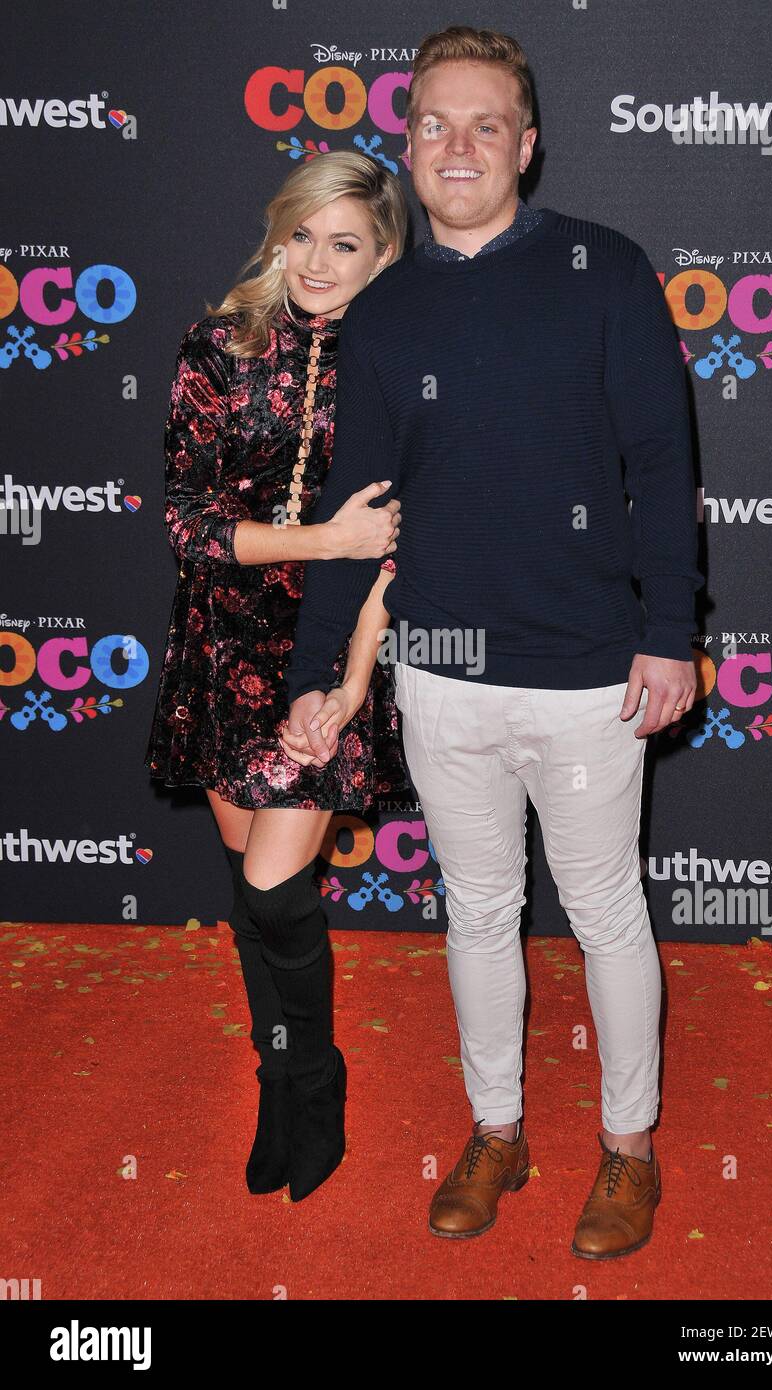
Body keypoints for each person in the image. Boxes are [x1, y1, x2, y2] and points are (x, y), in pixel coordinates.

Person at [279, 27, 704, 1255]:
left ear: (524, 142)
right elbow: (354, 514)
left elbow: (661, 466)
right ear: (405, 145)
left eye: (482, 125)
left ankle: (626, 1150)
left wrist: (668, 633)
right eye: (431, 125)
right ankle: (497, 1129)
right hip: (438, 674)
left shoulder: (605, 270)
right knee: (474, 910)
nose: (454, 146)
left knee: (604, 912)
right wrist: (321, 676)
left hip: (586, 674)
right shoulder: (381, 307)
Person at [146, 151, 411, 1202]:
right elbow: (185, 523)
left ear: (385, 254)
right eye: (300, 232)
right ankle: (276, 1079)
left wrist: (349, 682)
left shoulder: (400, 364)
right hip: (221, 650)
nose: (313, 258)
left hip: (326, 655)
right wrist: (321, 536)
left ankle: (314, 1082)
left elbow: (392, 551)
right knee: (253, 898)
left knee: (274, 885)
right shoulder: (220, 345)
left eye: (342, 241)